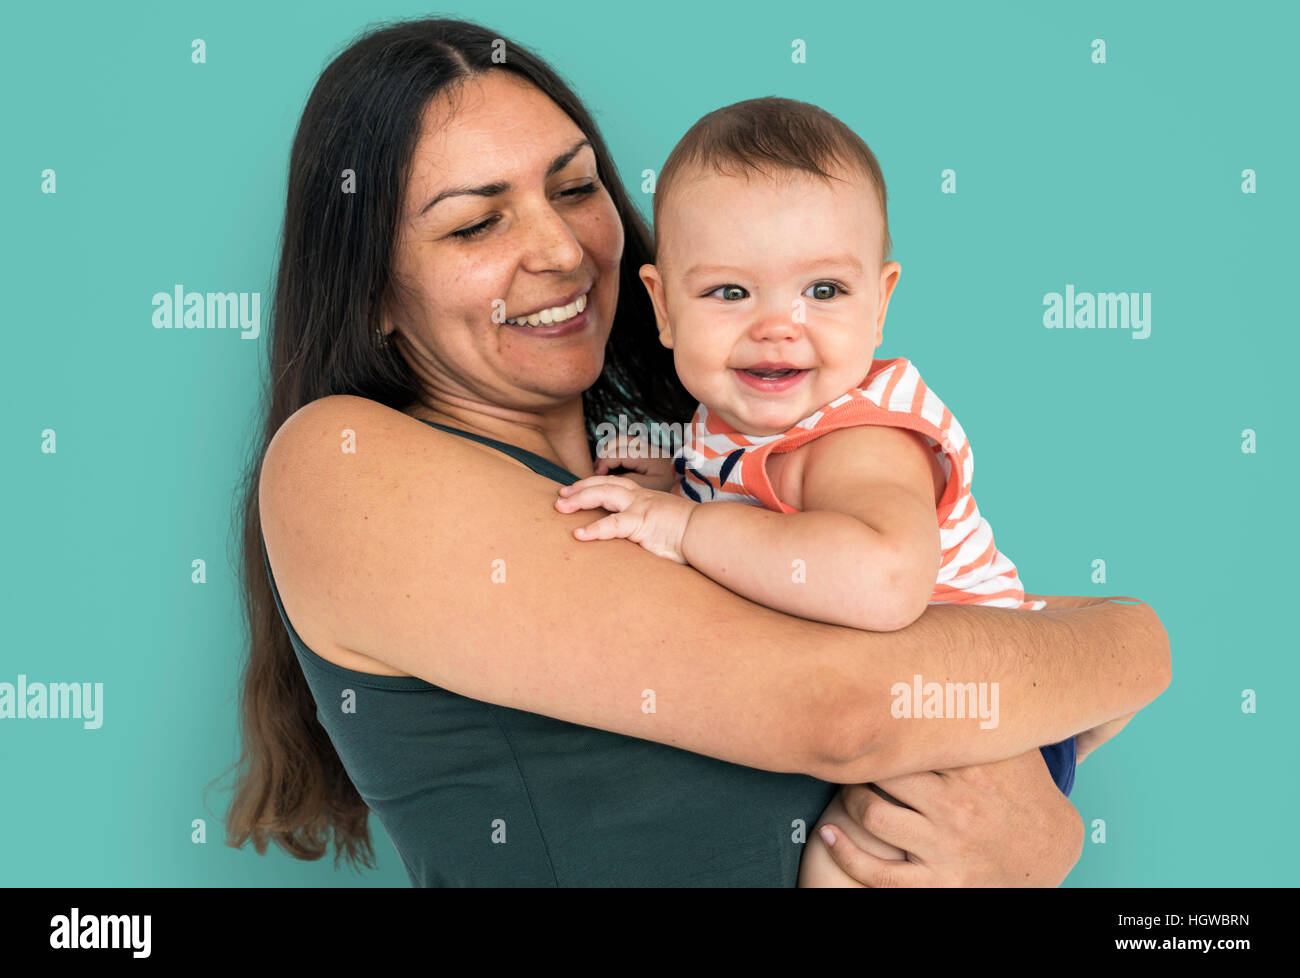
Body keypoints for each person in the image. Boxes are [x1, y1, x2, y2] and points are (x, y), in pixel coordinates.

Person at [224, 17, 1171, 887]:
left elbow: (923, 627)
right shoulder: (340, 464)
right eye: (476, 222)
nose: (559, 249)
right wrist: (1129, 648)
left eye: (575, 187)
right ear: (373, 290)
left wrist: (1038, 815)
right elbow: (843, 710)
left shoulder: (688, 464)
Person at [553, 96, 1099, 886]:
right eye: (731, 293)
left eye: (825, 292)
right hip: (919, 707)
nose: (779, 325)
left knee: (844, 856)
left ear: (881, 302)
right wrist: (676, 478)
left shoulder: (859, 437)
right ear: (664, 307)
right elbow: (761, 504)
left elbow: (880, 579)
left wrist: (680, 528)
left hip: (977, 723)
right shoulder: (728, 425)